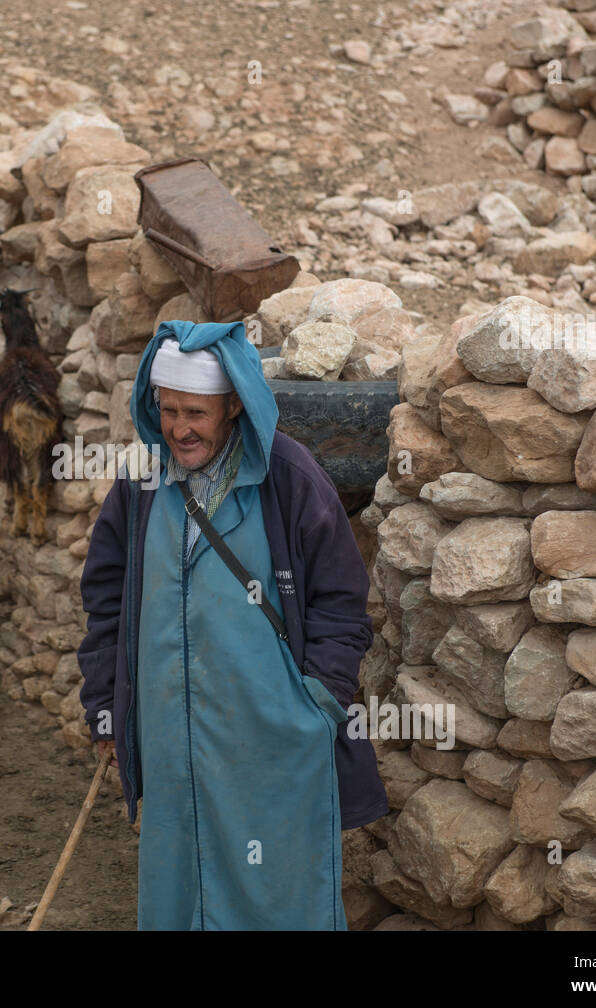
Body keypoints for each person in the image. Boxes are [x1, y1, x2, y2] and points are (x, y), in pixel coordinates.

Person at [77, 319, 387, 931]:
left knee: (277, 893)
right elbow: (106, 601)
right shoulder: (142, 485)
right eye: (168, 411)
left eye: (196, 413)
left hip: (273, 739)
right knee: (180, 887)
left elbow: (342, 599)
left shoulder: (289, 479)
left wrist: (318, 702)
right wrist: (106, 709)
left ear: (234, 406)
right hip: (171, 738)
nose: (180, 429)